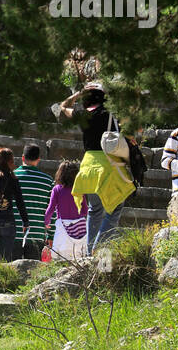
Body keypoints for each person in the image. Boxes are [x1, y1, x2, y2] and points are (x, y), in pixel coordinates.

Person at [54, 81, 133, 253]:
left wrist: (78, 94)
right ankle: (98, 247)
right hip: (108, 165)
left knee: (94, 210)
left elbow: (63, 106)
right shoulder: (112, 114)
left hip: (87, 167)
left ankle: (89, 251)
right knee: (115, 208)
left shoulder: (81, 114)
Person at [14, 144, 55, 259]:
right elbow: (52, 210)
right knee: (33, 274)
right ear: (38, 160)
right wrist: (51, 235)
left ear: (22, 157)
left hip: (14, 234)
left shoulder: (12, 177)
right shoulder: (47, 180)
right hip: (37, 234)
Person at [44, 160, 89, 262]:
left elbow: (50, 208)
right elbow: (85, 210)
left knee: (59, 257)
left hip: (63, 227)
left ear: (60, 174)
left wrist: (46, 222)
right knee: (79, 257)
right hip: (80, 228)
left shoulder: (57, 189)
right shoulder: (79, 189)